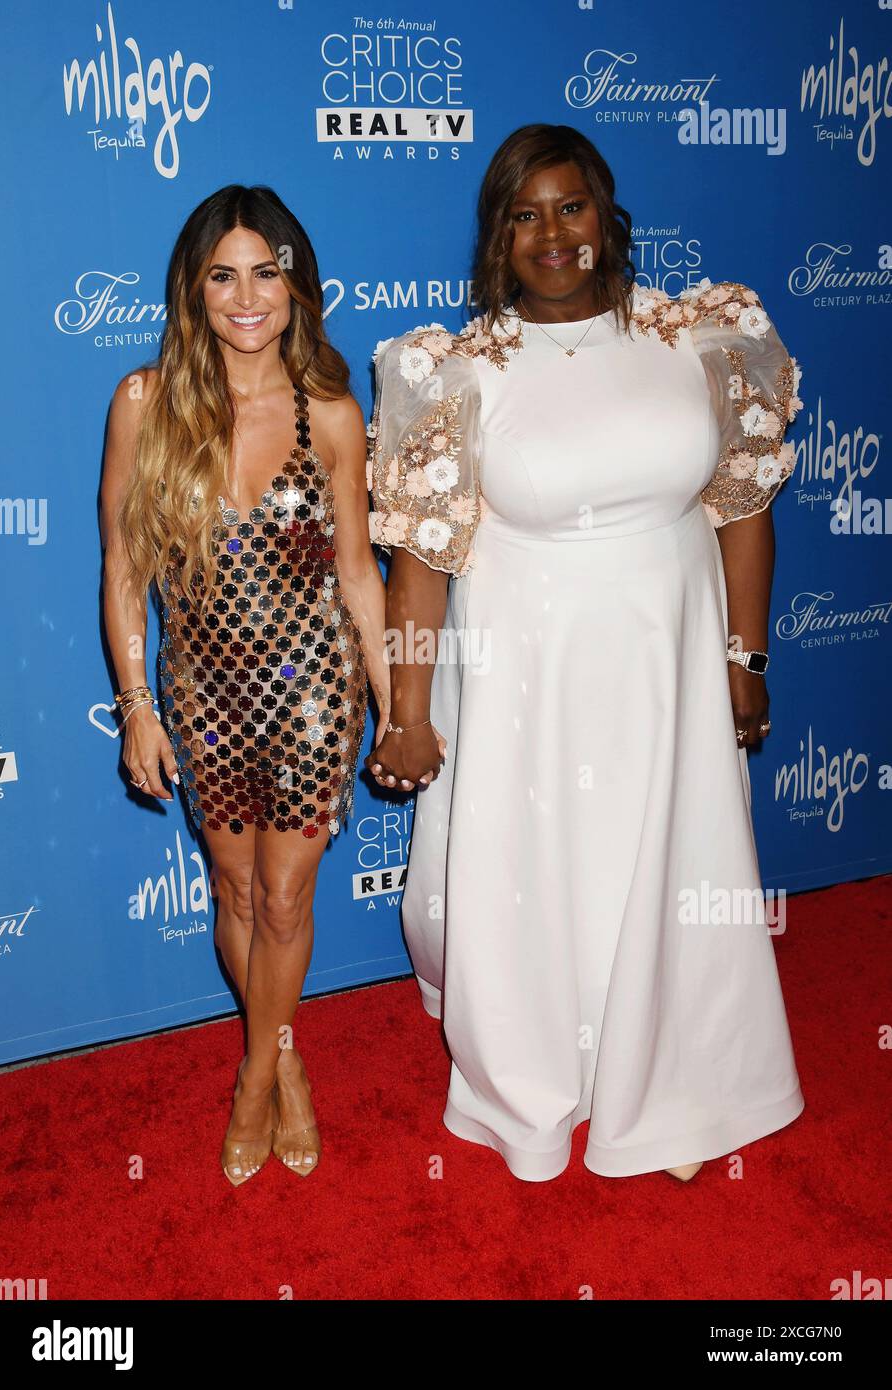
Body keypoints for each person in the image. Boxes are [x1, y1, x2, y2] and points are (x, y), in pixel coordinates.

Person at [365, 124, 805, 1183]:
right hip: (529, 671)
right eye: (524, 214)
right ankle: (537, 1078)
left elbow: (742, 507)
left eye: (571, 207)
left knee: (668, 860)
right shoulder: (455, 371)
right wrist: (409, 712)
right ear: (496, 235)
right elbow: (421, 562)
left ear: (607, 215)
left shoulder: (700, 333)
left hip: (670, 657)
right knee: (543, 872)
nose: (552, 233)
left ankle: (673, 1084)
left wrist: (746, 658)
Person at [100, 185, 389, 1186]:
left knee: (285, 894)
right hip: (203, 695)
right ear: (193, 288)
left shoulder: (333, 413)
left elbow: (359, 570)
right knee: (232, 887)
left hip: (315, 688)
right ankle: (284, 1050)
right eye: (222, 274)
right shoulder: (145, 404)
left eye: (265, 269)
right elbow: (123, 570)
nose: (246, 294)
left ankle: (255, 1087)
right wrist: (137, 707)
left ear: (296, 280)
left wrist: (397, 704)